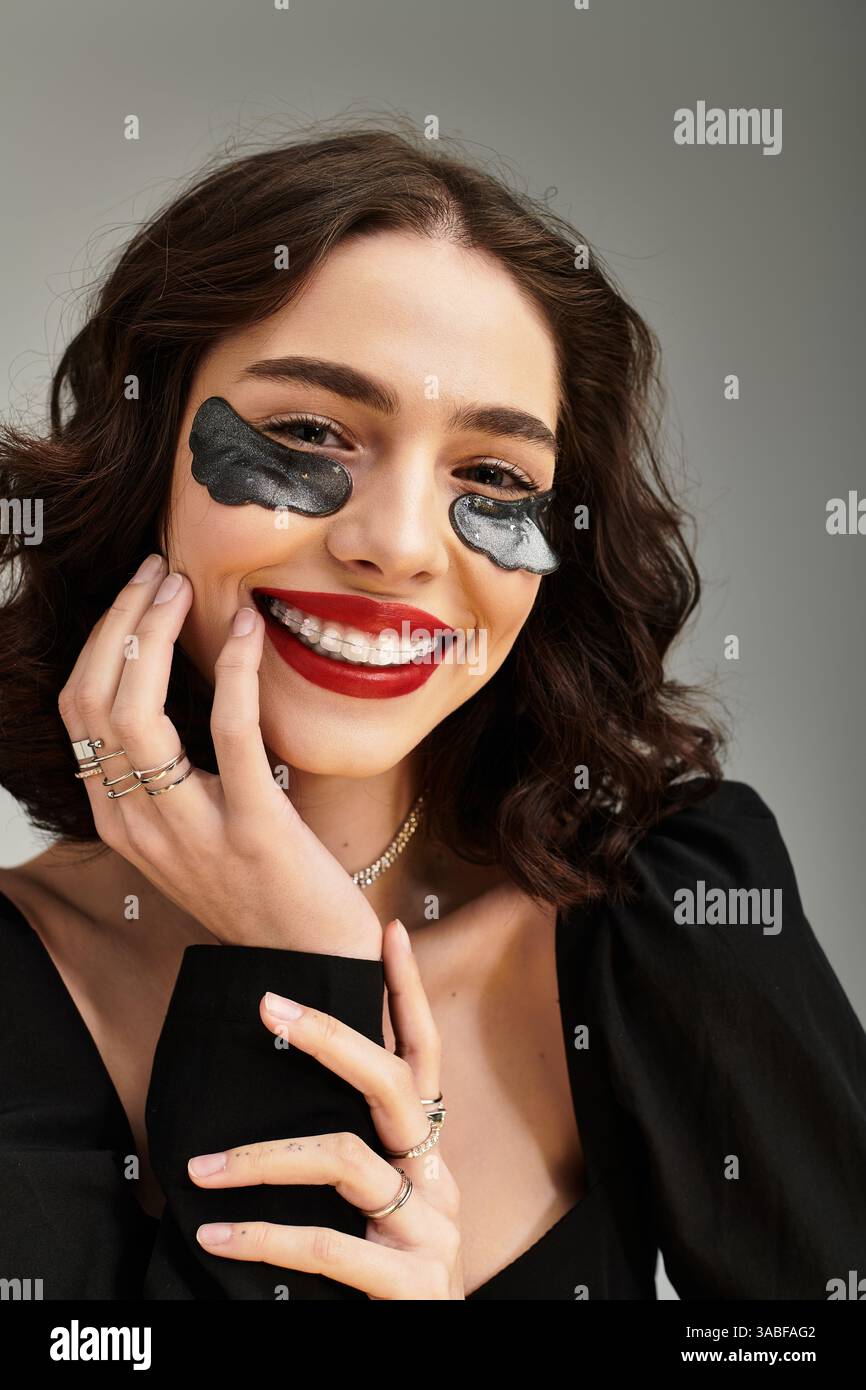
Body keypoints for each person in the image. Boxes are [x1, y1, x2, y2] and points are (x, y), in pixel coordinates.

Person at [0, 122, 864, 1301]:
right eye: (308, 432)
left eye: (493, 477)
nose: (398, 546)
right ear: (146, 462)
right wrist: (306, 962)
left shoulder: (675, 897)